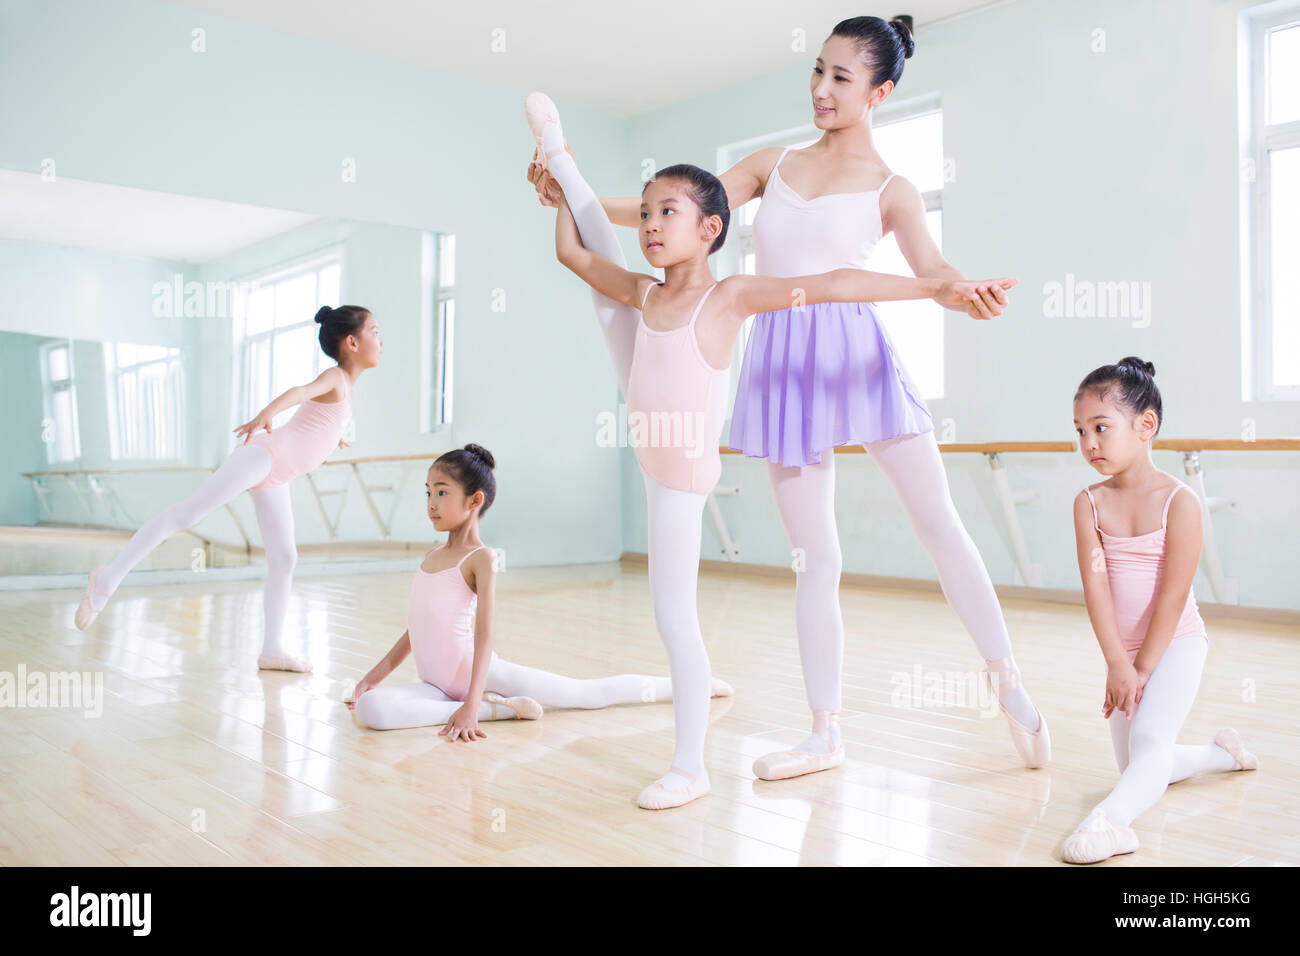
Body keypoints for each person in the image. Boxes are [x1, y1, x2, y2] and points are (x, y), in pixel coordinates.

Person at [527, 90, 1015, 807]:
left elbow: (836, 282)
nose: (654, 224)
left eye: (670, 213)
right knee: (608, 297)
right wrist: (557, 183)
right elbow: (577, 250)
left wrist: (928, 290)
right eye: (649, 211)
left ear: (714, 227)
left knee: (674, 617)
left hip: (683, 477)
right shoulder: (642, 291)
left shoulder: (734, 296)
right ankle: (560, 150)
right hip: (651, 460)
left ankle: (689, 766)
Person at [349, 446, 734, 739]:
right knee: (371, 710)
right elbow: (417, 628)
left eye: (442, 492)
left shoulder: (480, 558)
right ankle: (496, 711)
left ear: (474, 501)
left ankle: (694, 686)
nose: (431, 503)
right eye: (428, 492)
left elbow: (484, 635)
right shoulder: (432, 556)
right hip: (435, 686)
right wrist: (375, 675)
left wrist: (470, 702)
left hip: (478, 678)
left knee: (584, 694)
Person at [75, 305, 381, 672]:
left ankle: (272, 649)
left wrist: (336, 438)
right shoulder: (335, 377)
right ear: (351, 342)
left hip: (278, 476)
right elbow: (301, 392)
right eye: (375, 331)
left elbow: (320, 422)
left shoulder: (346, 389)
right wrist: (267, 413)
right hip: (264, 457)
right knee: (187, 513)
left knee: (284, 558)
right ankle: (107, 578)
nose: (381, 340)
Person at [1063, 357, 1257, 863]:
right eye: (1081, 431)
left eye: (1101, 428)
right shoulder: (1088, 503)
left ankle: (1108, 824)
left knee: (1148, 749)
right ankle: (1222, 754)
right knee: (1138, 765)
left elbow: (1173, 597)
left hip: (1175, 643)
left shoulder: (1180, 501)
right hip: (1123, 654)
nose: (1089, 444)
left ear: (1146, 425)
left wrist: (1143, 668)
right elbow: (1095, 588)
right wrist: (1117, 664)